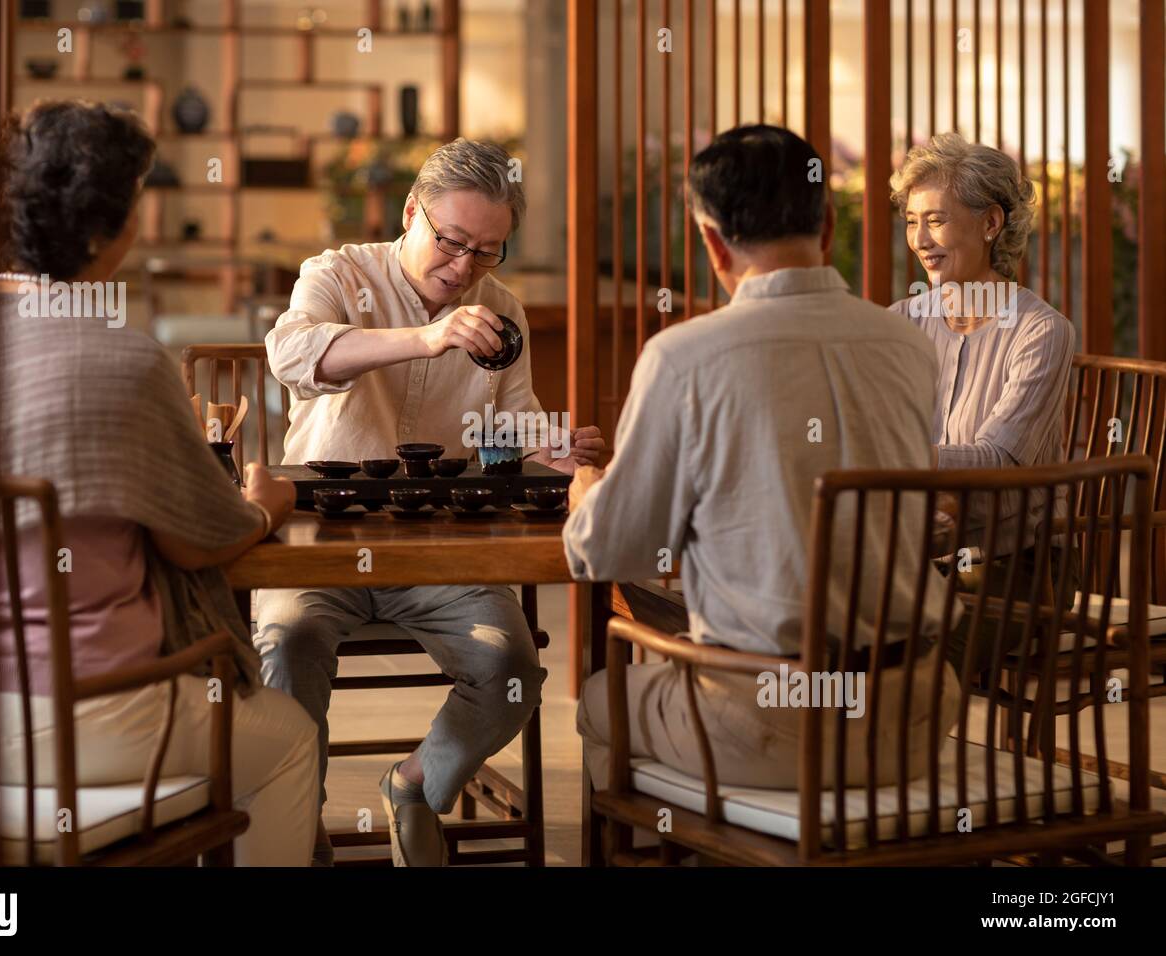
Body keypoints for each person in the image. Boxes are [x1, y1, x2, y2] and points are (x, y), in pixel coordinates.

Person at [0, 100, 319, 866]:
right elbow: (197, 543)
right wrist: (264, 504)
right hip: (79, 719)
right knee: (290, 739)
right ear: (100, 232)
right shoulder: (127, 359)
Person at [564, 125, 961, 793]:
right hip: (916, 714)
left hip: (776, 725)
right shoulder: (909, 344)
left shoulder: (685, 356)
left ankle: (701, 845)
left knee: (603, 700)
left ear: (712, 241)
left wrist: (585, 491)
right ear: (829, 222)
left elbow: (607, 554)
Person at [258, 137, 605, 866]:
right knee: (287, 644)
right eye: (451, 242)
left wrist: (555, 445)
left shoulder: (499, 307)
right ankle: (298, 830)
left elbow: (506, 426)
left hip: (441, 541)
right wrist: (424, 338)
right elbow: (291, 356)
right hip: (320, 537)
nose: (464, 267)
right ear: (411, 211)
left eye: (487, 251)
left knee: (512, 668)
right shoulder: (339, 274)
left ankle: (414, 783)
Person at [889, 132, 1076, 671]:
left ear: (992, 224)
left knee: (893, 657)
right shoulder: (901, 322)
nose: (920, 239)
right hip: (917, 549)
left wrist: (897, 458)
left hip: (1015, 567)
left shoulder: (1041, 331)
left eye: (937, 219)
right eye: (910, 221)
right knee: (813, 621)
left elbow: (998, 463)